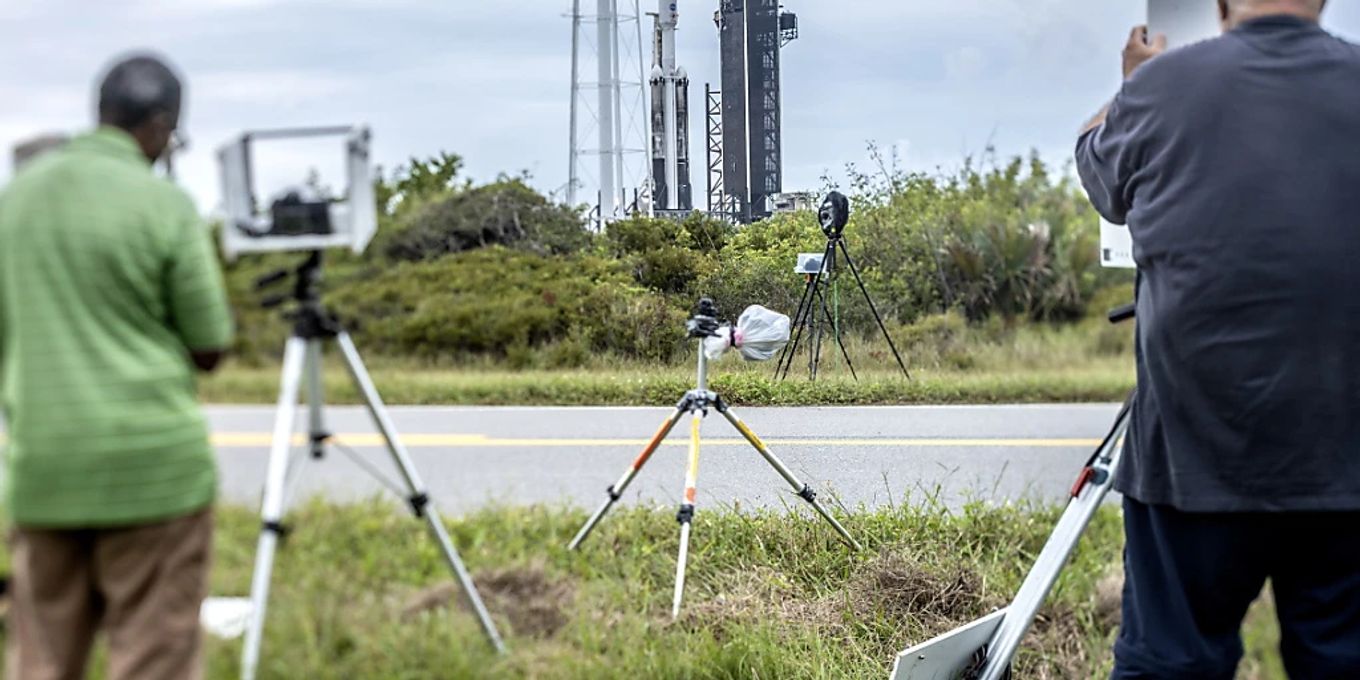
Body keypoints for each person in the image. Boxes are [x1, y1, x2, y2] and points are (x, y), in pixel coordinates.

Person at [1075, 1, 1360, 678]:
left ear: (1224, 3)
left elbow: (1098, 174)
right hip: (1347, 462)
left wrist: (1129, 83)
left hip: (1190, 461)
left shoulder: (1161, 86)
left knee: (1170, 664)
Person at [0, 53, 233, 680]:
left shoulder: (13, 202)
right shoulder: (165, 204)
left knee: (40, 659)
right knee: (153, 655)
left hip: (44, 469)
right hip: (154, 472)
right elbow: (210, 343)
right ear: (159, 125)